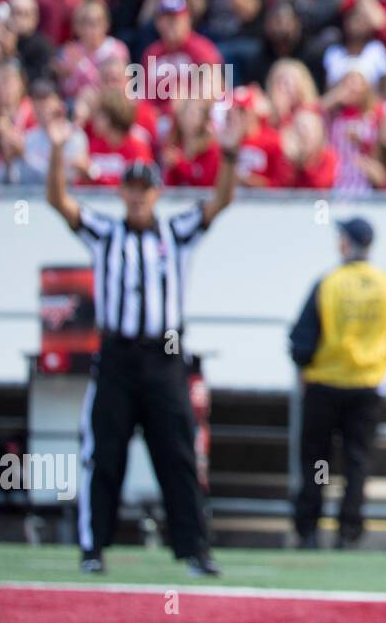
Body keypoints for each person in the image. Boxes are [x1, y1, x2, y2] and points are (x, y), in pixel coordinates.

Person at [44, 108, 242, 576]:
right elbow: (58, 201)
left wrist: (230, 153)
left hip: (165, 354)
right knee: (103, 453)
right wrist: (56, 150)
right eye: (130, 187)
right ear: (122, 191)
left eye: (145, 188)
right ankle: (93, 549)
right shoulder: (105, 232)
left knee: (177, 452)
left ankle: (194, 549)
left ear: (157, 192)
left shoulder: (177, 232)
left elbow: (222, 200)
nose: (137, 196)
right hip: (115, 355)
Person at [287, 217, 386, 549]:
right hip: (368, 387)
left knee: (317, 461)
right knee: (357, 462)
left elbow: (301, 341)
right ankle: (349, 531)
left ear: (348, 243)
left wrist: (305, 363)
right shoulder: (385, 282)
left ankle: (309, 529)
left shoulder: (330, 282)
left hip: (325, 384)